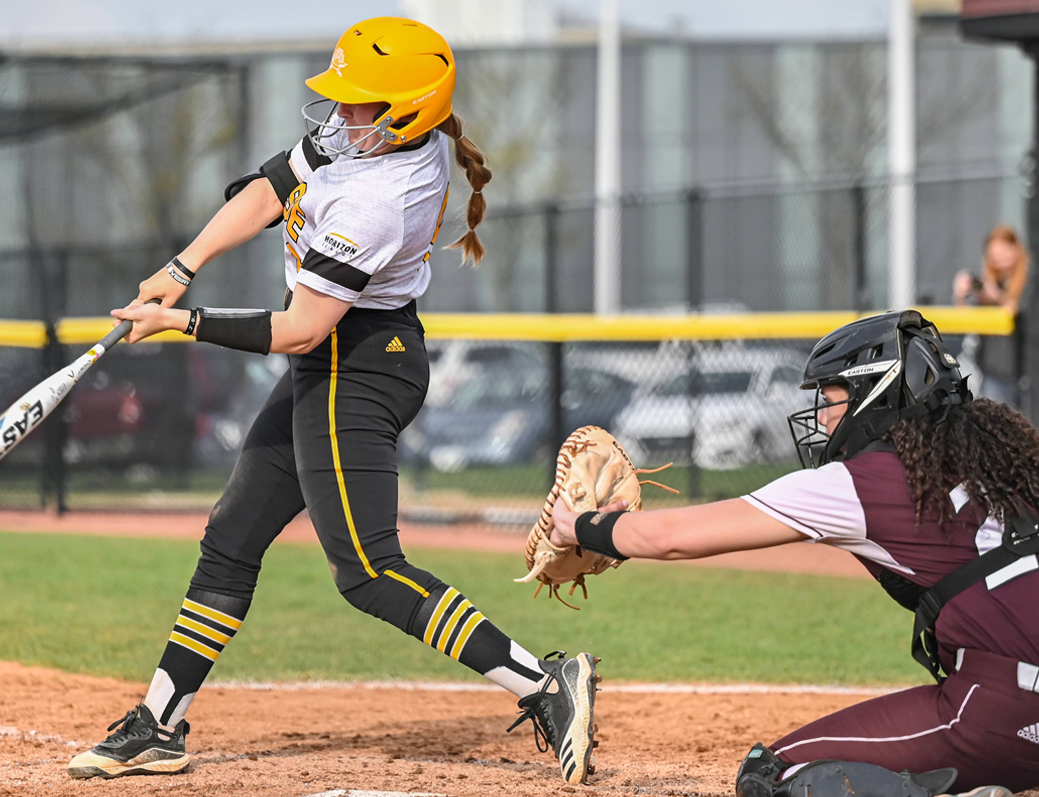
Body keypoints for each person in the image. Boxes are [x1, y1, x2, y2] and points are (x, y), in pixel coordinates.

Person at [65, 17, 599, 784]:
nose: (343, 112)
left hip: (360, 366)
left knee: (369, 572)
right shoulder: (365, 139)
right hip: (337, 360)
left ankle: (544, 684)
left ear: (407, 112)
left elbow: (302, 329)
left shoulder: (382, 197)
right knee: (232, 535)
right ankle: (160, 724)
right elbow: (268, 189)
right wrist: (182, 267)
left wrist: (181, 322)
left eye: (361, 100)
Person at [549, 310, 1038, 797]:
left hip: (1004, 711)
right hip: (1017, 701)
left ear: (875, 392)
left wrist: (579, 526)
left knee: (772, 774)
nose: (822, 417)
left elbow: (672, 536)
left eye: (831, 397)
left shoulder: (861, 483)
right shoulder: (1002, 463)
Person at [953, 225, 1029, 405]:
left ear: (1015, 248)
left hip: (1023, 370)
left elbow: (1016, 309)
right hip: (992, 369)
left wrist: (996, 296)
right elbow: (966, 321)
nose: (999, 261)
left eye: (1003, 253)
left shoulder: (1028, 281)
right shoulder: (987, 283)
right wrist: (961, 296)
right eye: (994, 256)